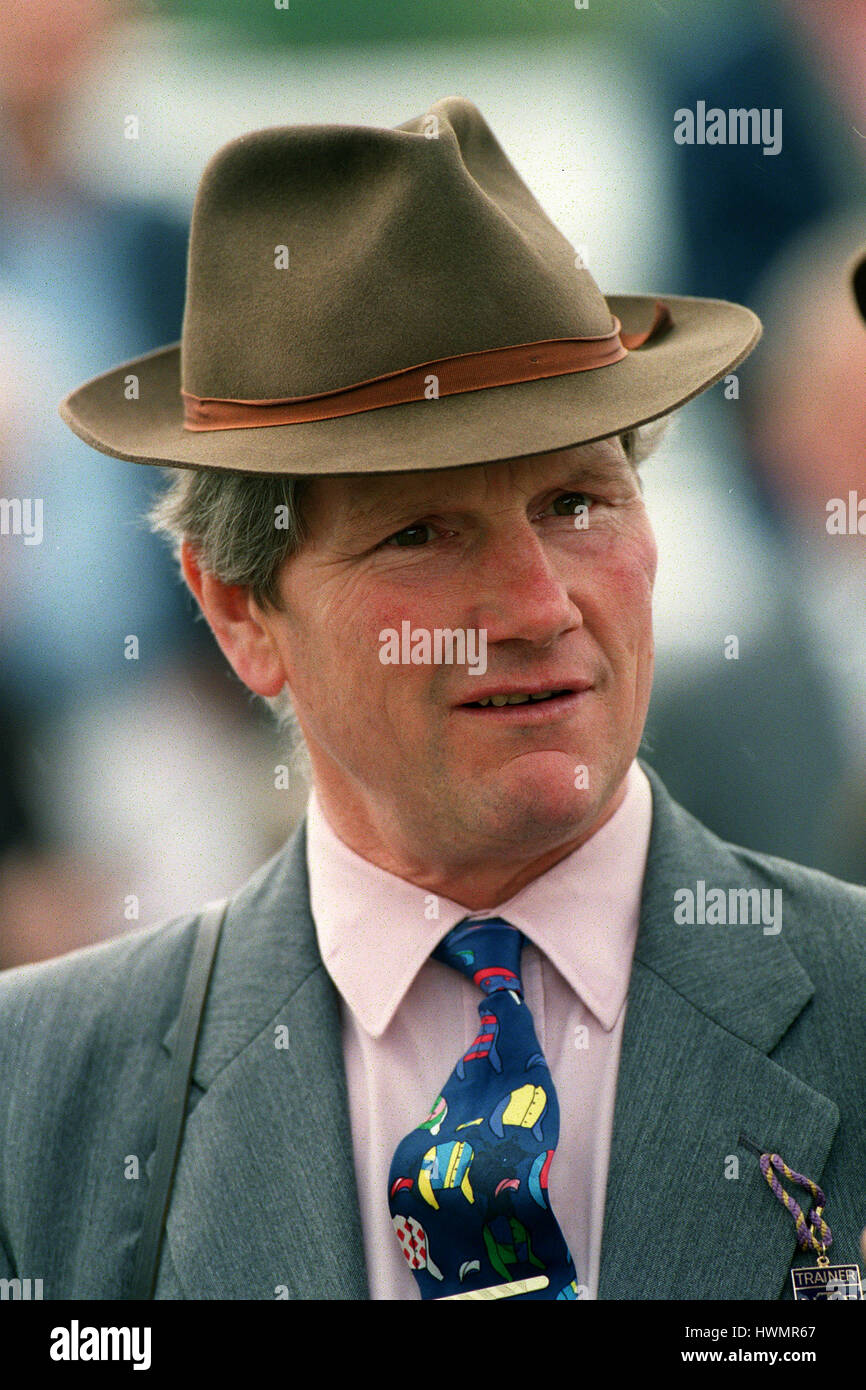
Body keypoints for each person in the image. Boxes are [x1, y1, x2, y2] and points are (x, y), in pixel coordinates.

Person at [0, 97, 863, 1302]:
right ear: (241, 611)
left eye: (576, 504)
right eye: (421, 532)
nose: (535, 602)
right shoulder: (35, 1095)